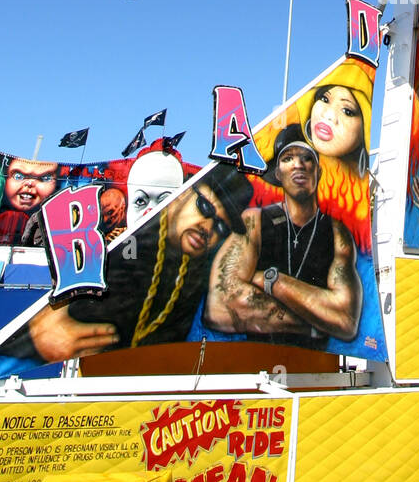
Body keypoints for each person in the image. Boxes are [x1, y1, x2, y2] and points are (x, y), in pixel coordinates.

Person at [23, 165, 251, 360]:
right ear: (182, 195)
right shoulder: (125, 241)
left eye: (221, 226)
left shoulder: (193, 273)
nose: (208, 228)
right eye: (205, 208)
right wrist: (39, 332)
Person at [207, 126, 362, 345]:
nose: (298, 165)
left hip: (313, 367)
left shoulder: (336, 232)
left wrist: (273, 281)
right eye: (288, 158)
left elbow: (346, 321)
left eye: (306, 158)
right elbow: (219, 306)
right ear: (278, 173)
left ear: (317, 171)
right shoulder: (255, 221)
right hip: (257, 366)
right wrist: (314, 324)